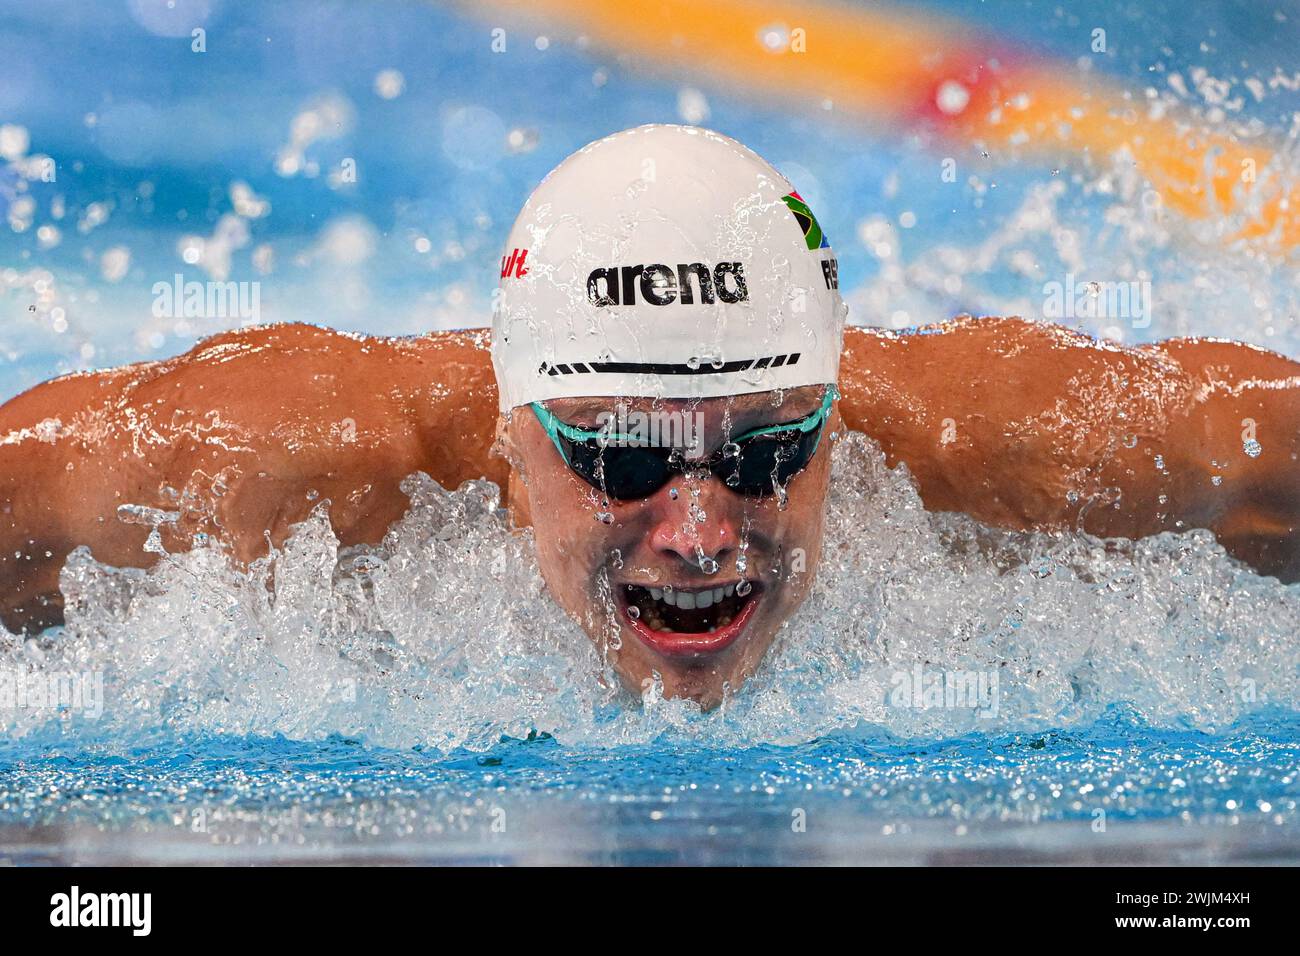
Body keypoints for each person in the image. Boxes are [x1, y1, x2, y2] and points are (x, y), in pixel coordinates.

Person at [1, 125, 1296, 707]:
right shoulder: (273, 468)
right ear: (515, 442)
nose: (699, 528)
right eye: (622, 455)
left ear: (831, 422)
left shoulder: (1001, 452)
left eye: (766, 450)